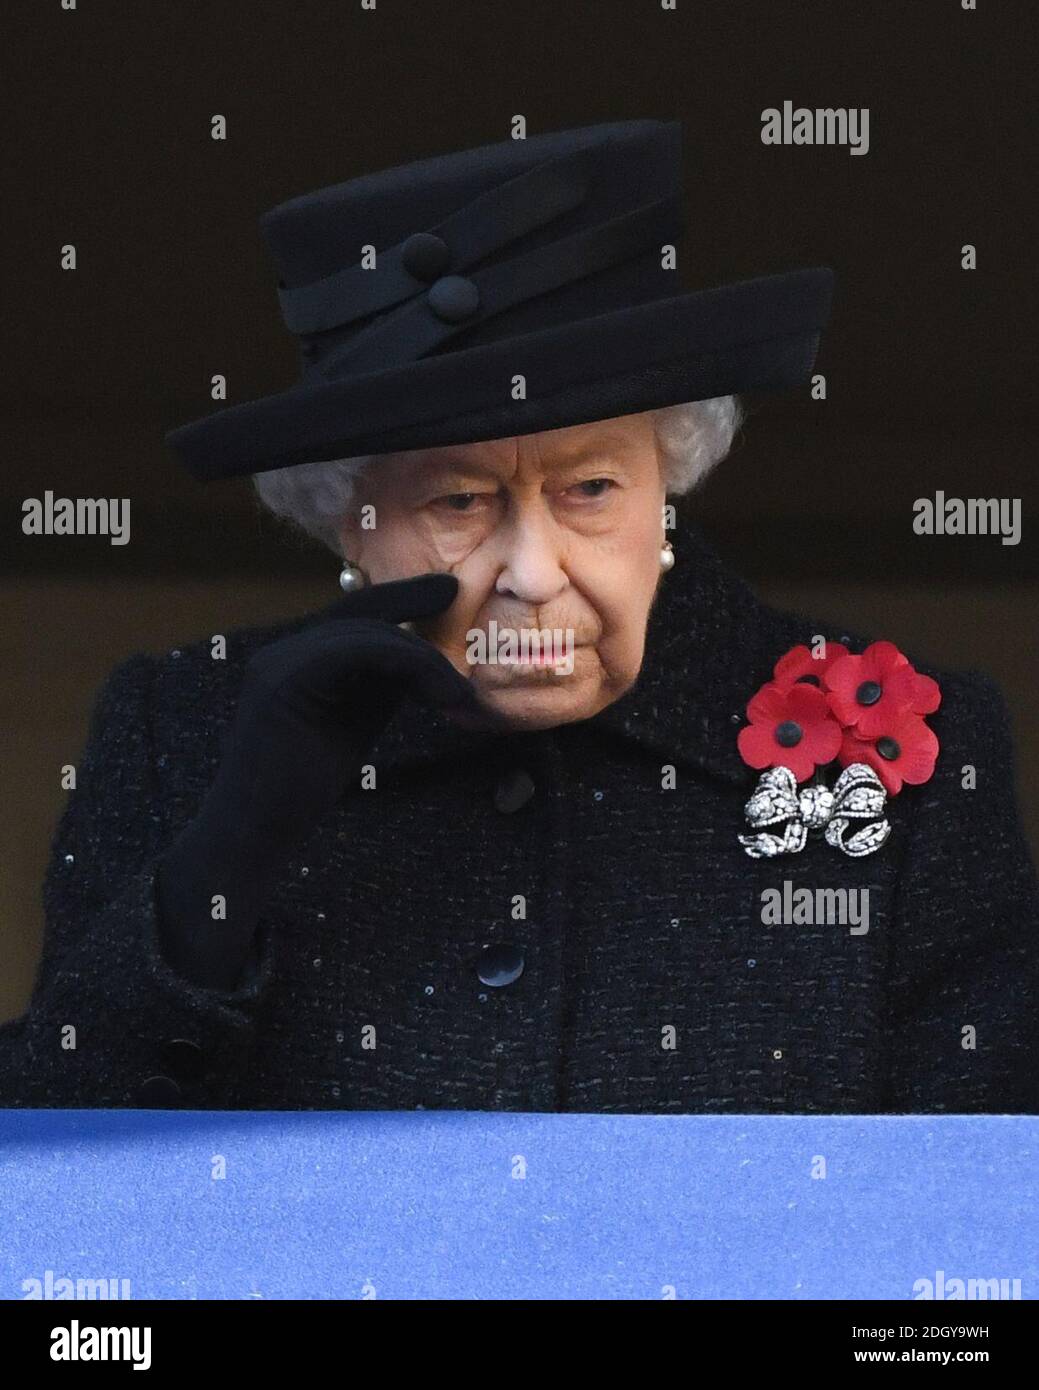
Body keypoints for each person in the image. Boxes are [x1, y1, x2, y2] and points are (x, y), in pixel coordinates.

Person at [2, 120, 1035, 1112]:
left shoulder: (917, 755)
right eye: (457, 501)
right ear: (346, 522)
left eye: (589, 488)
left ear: (666, 484)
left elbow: (983, 1223)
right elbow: (51, 1181)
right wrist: (219, 870)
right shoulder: (175, 733)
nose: (532, 572)